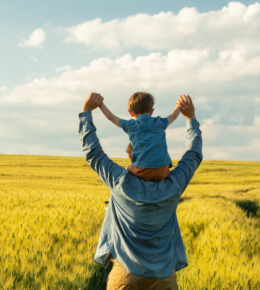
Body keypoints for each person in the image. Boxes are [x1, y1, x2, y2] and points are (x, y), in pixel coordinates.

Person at [79, 93, 202, 290]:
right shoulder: (174, 185)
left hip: (125, 277)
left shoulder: (120, 182)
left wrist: (86, 112)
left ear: (132, 159)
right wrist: (191, 118)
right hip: (164, 278)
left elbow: (93, 152)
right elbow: (194, 154)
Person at [99, 92, 180, 181]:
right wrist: (179, 105)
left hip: (142, 171)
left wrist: (100, 104)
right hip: (163, 171)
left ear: (130, 112)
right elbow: (174, 115)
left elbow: (111, 117)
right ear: (151, 111)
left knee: (126, 169)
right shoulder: (160, 122)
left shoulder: (130, 125)